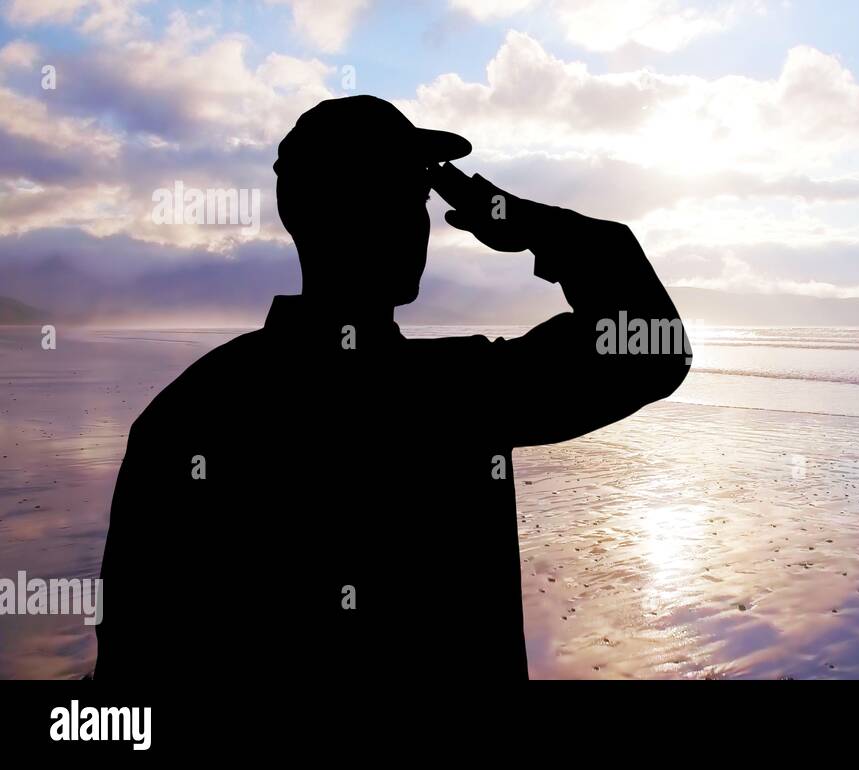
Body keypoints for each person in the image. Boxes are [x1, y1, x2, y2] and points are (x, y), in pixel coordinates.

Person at [94, 95, 690, 680]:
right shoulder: (458, 393)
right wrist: (528, 222)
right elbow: (655, 347)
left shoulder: (188, 412)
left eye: (417, 199)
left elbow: (131, 658)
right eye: (402, 197)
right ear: (327, 214)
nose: (417, 222)